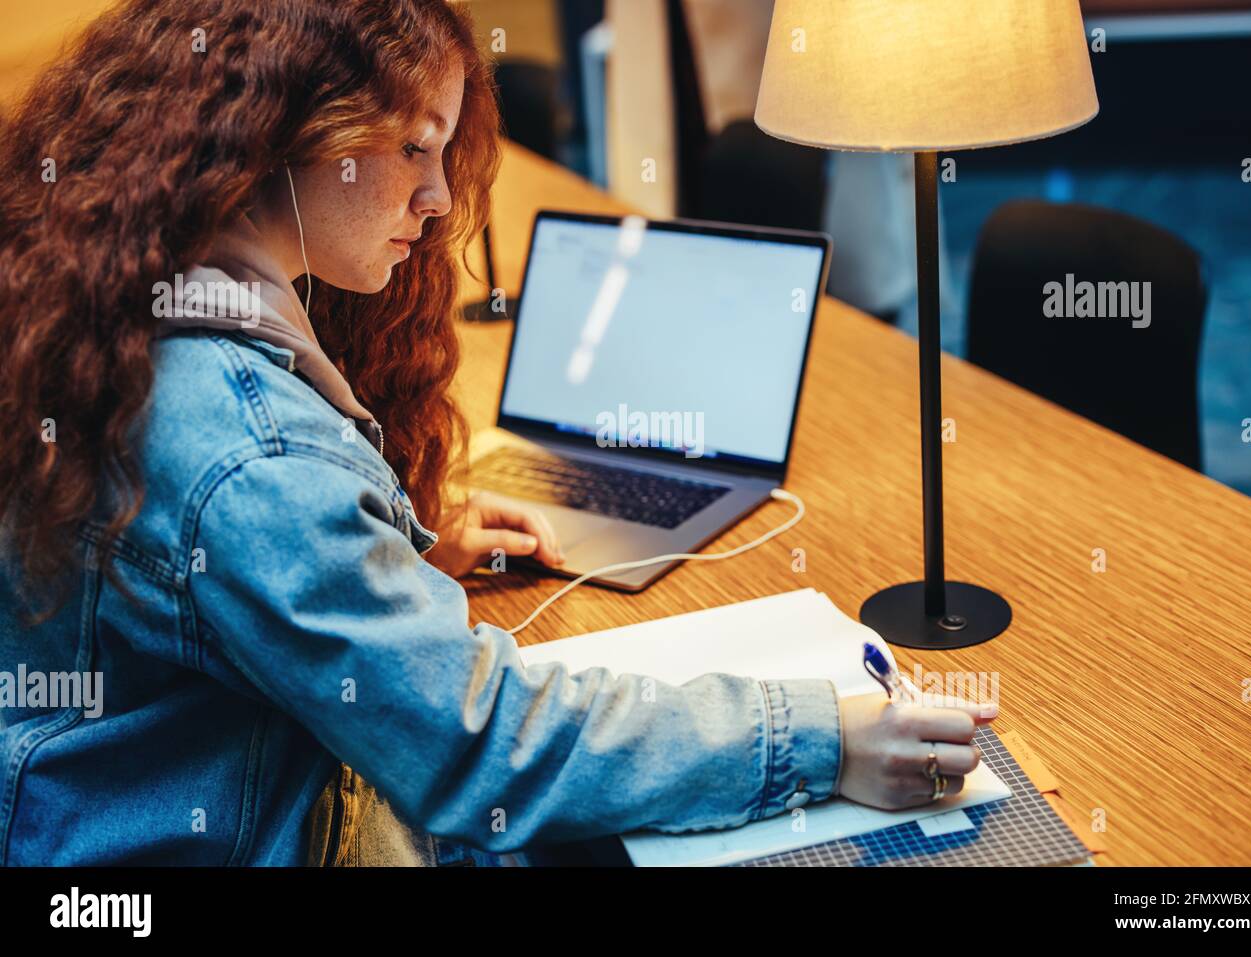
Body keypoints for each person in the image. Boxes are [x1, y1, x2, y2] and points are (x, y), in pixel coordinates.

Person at [0, 0, 993, 866]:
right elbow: (485, 746)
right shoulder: (251, 450)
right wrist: (825, 740)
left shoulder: (99, 295)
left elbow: (202, 584)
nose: (435, 204)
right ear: (288, 134)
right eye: (413, 150)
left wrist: (389, 566)